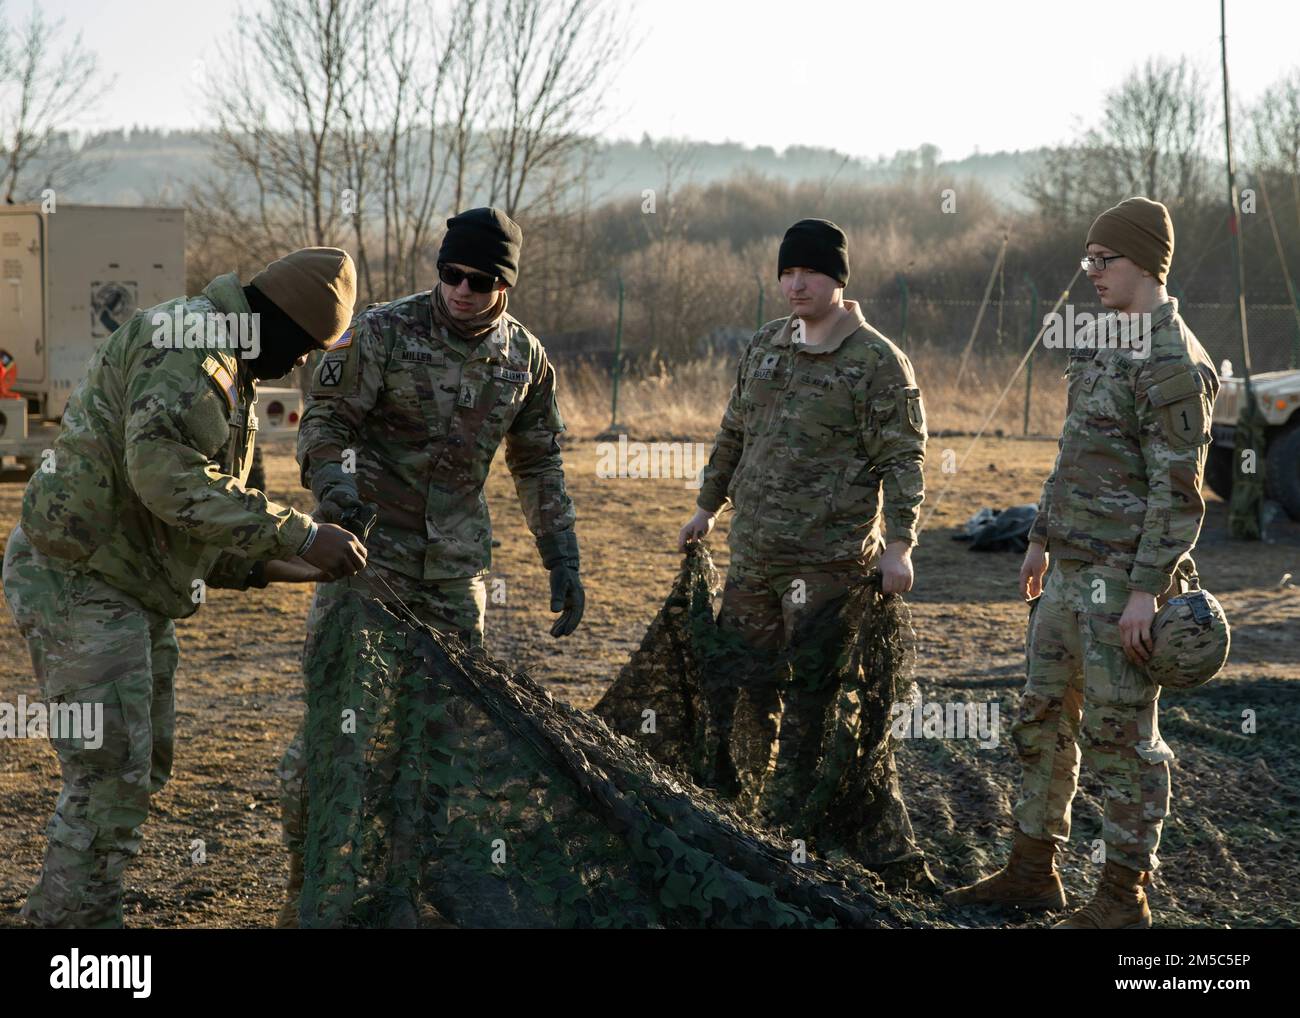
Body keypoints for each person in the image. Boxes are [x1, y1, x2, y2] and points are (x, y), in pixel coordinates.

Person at [3, 248, 367, 928]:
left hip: (132, 584)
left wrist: (290, 565)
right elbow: (165, 478)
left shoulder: (231, 358)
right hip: (79, 580)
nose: (301, 366)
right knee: (108, 778)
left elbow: (196, 516)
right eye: (307, 349)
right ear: (284, 325)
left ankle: (71, 912)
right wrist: (297, 533)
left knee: (137, 771)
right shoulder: (193, 346)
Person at [276, 207, 583, 926]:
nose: (463, 291)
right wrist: (337, 490)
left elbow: (539, 464)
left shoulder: (525, 360)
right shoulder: (380, 333)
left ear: (505, 285)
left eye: (481, 280)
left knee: (438, 746)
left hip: (453, 576)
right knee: (337, 737)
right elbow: (325, 423)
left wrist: (561, 555)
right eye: (451, 274)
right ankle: (310, 894)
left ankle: (405, 892)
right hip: (366, 562)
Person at [945, 197, 1220, 929]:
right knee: (1040, 721)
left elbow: (1179, 495)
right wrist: (1039, 535)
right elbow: (1076, 456)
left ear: (1147, 264)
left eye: (1106, 260)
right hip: (1066, 575)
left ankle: (1122, 900)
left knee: (1122, 741)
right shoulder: (1107, 342)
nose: (1092, 273)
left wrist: (1145, 593)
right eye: (1087, 260)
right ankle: (1033, 871)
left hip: (1122, 592)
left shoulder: (1172, 361)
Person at [678, 218, 929, 883]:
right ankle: (738, 807)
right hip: (754, 555)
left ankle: (794, 828)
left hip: (830, 566)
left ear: (837, 279)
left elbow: (904, 461)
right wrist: (707, 508)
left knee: (813, 699)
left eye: (809, 273)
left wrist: (900, 546)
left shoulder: (877, 361)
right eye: (787, 272)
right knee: (742, 681)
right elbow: (734, 431)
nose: (795, 284)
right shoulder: (765, 344)